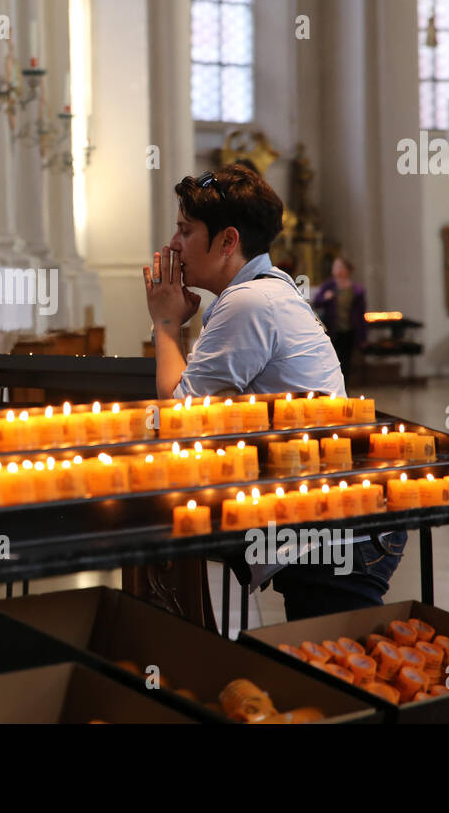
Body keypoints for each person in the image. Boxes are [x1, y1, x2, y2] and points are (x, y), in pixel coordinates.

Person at [143, 164, 405, 620]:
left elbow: (179, 418)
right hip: (339, 520)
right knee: (332, 665)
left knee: (343, 676)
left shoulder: (250, 302)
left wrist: (165, 326)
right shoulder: (264, 291)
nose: (173, 245)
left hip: (335, 530)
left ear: (228, 241)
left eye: (185, 231)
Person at [312, 257, 367, 388]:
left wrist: (363, 336)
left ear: (347, 270)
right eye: (335, 267)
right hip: (332, 330)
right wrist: (326, 298)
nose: (337, 270)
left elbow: (360, 314)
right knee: (331, 361)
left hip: (349, 330)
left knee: (346, 362)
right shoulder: (329, 286)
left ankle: (344, 388)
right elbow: (316, 302)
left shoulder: (356, 290)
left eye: (340, 267)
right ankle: (333, 389)